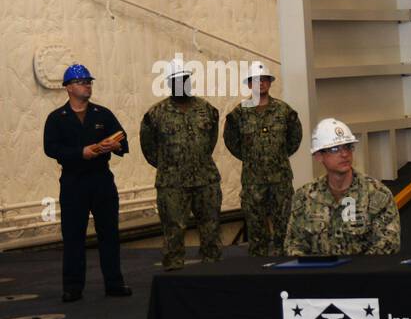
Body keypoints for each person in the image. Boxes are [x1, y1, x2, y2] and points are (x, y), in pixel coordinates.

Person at [42, 64, 132, 302]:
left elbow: (124, 141)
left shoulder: (103, 114)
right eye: (82, 82)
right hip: (74, 182)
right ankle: (72, 287)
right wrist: (80, 153)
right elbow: (50, 148)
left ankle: (114, 283)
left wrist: (116, 146)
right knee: (73, 236)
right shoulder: (56, 119)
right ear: (69, 87)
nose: (87, 85)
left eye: (89, 82)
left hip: (101, 179)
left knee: (109, 234)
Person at [140, 62, 222, 270]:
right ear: (169, 83)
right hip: (172, 182)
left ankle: (213, 269)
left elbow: (210, 142)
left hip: (205, 179)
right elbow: (149, 149)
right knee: (173, 229)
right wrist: (170, 165)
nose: (182, 84)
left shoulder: (207, 110)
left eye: (185, 79)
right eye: (177, 80)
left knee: (211, 227)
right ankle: (174, 270)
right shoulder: (155, 114)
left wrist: (196, 158)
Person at [283, 118, 400, 256]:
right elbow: (293, 245)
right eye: (335, 149)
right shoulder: (304, 196)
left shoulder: (377, 193)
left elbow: (388, 244)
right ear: (319, 156)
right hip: (317, 274)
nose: (344, 154)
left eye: (348, 147)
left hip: (364, 274)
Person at [223, 62, 301, 256]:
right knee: (256, 228)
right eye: (255, 80)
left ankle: (284, 263)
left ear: (270, 83)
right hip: (253, 180)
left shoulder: (284, 111)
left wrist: (278, 157)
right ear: (249, 84)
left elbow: (294, 138)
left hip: (280, 179)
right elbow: (231, 141)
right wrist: (252, 158)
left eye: (264, 80)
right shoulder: (239, 113)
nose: (260, 84)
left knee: (283, 226)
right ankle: (258, 265)